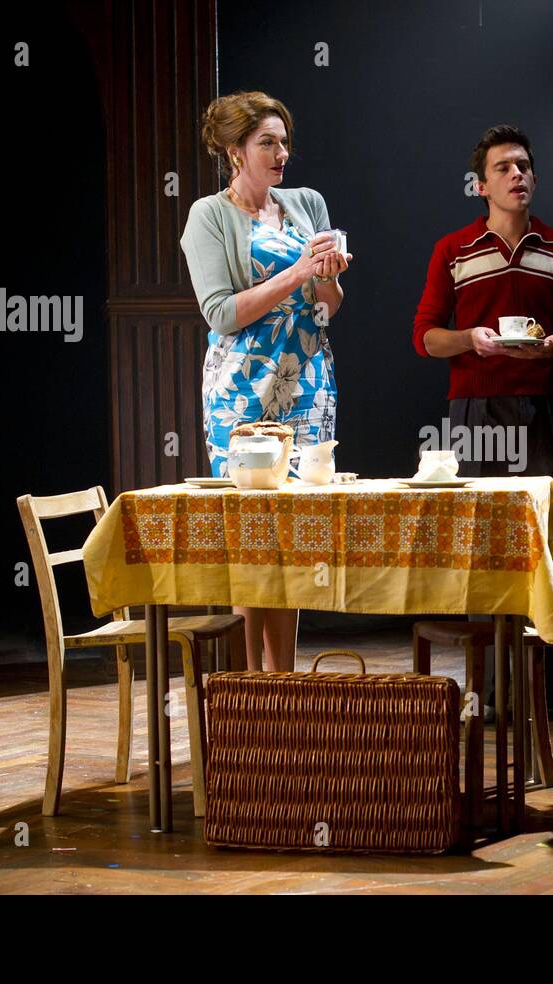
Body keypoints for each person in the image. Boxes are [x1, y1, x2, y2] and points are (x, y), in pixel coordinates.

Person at [412, 124, 553, 718]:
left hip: (540, 406)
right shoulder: (453, 249)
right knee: (483, 546)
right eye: (503, 168)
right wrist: (471, 339)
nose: (517, 175)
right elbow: (425, 338)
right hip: (473, 410)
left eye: (524, 166)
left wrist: (551, 348)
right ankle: (486, 690)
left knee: (549, 537)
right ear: (481, 184)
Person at [180, 90, 351, 671]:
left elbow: (328, 306)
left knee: (297, 534)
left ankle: (286, 682)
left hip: (306, 382)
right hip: (240, 389)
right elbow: (221, 314)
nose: (282, 153)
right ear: (234, 152)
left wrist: (327, 277)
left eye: (283, 141)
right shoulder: (209, 214)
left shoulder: (307, 203)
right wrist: (300, 270)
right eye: (267, 143)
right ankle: (249, 683)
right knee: (253, 534)